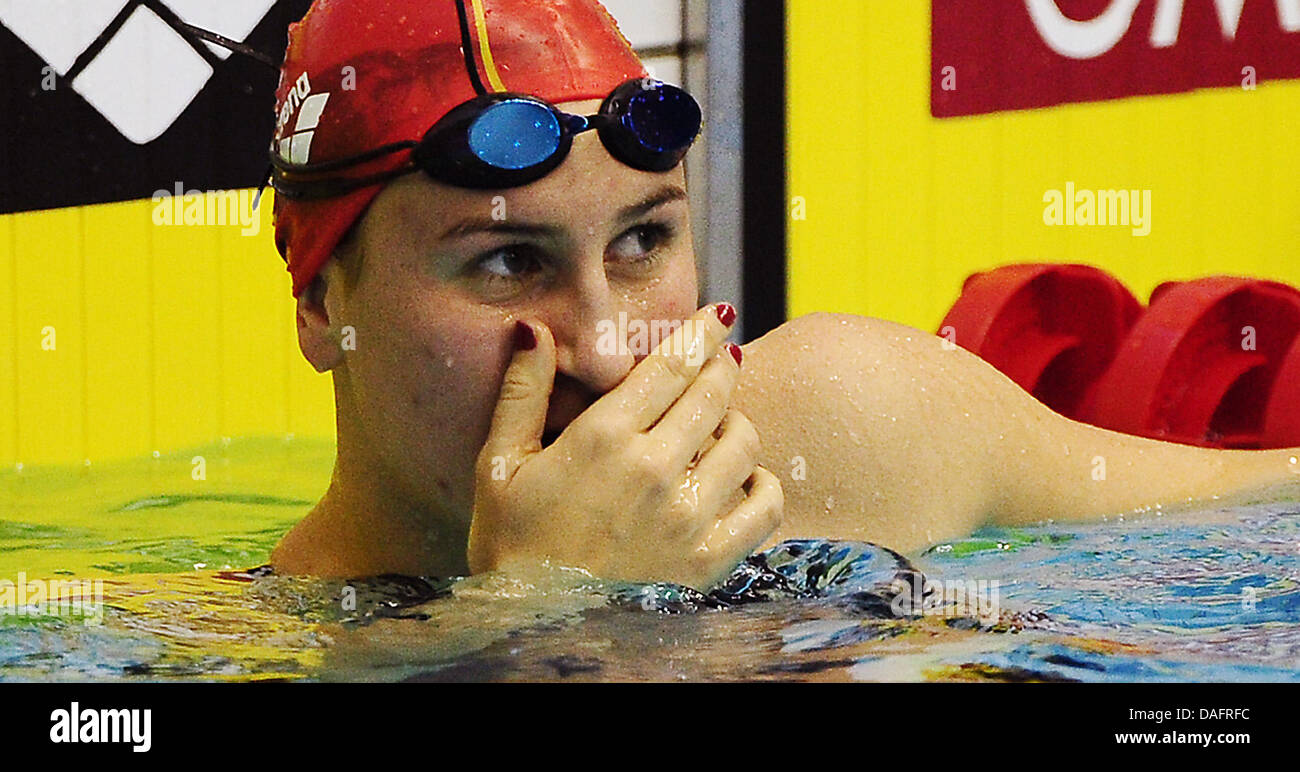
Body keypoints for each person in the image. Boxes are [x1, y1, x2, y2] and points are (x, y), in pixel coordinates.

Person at [268, 0, 1300, 588]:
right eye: (507, 262)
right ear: (321, 303)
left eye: (642, 240)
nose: (607, 348)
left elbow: (1252, 519)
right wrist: (540, 619)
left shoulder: (846, 431)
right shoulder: (205, 656)